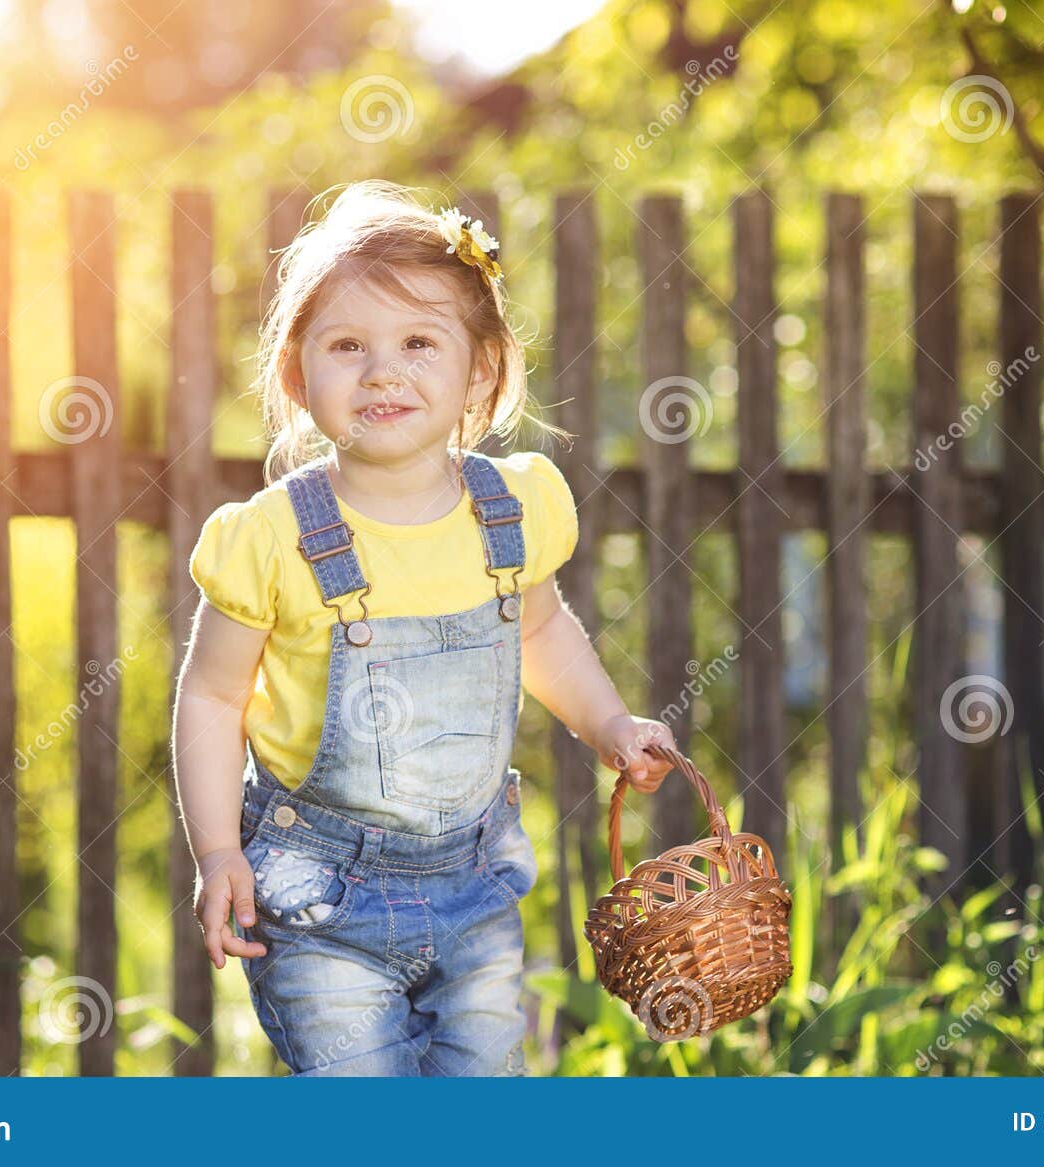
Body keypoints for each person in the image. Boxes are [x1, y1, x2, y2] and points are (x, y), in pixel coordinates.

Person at [172, 179, 676, 1076]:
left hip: (475, 886)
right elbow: (212, 695)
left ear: (479, 369)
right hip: (317, 896)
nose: (382, 372)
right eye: (347, 346)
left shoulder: (511, 509)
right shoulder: (273, 537)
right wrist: (217, 850)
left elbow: (545, 632)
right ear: (298, 372)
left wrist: (608, 723)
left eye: (417, 342)